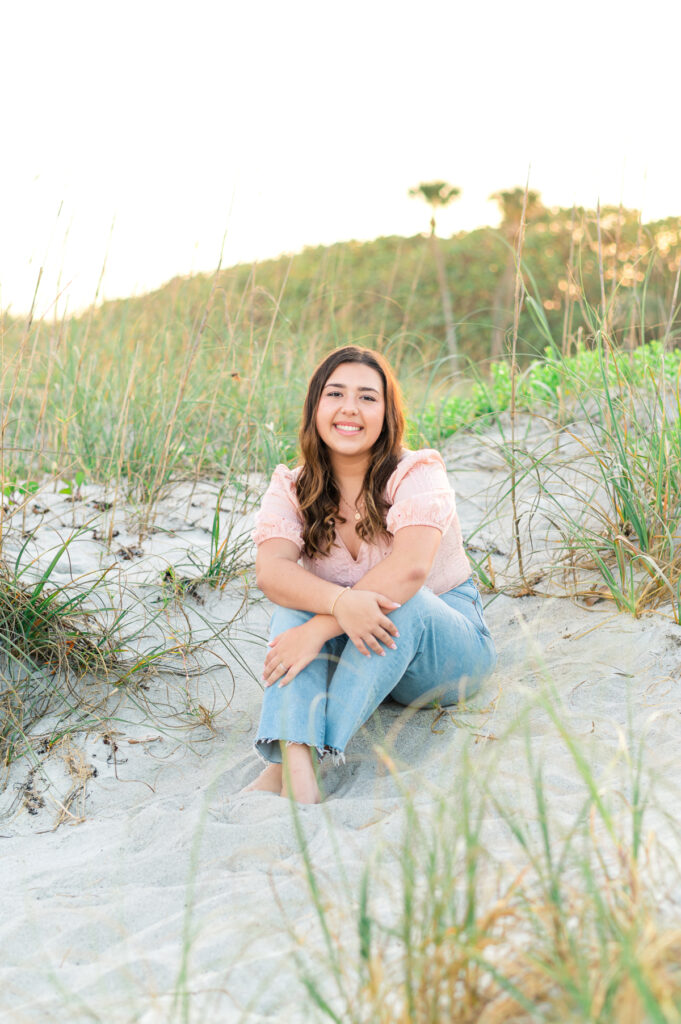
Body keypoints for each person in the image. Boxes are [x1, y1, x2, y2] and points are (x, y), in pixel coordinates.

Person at [246, 345, 496, 803]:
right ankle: (295, 764)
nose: (349, 409)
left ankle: (309, 753)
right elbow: (272, 571)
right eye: (335, 393)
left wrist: (321, 626)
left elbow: (411, 570)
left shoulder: (416, 472)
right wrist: (337, 608)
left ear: (387, 412)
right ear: (315, 407)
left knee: (406, 602)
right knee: (290, 612)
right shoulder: (291, 485)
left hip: (444, 650)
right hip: (365, 647)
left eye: (367, 397)